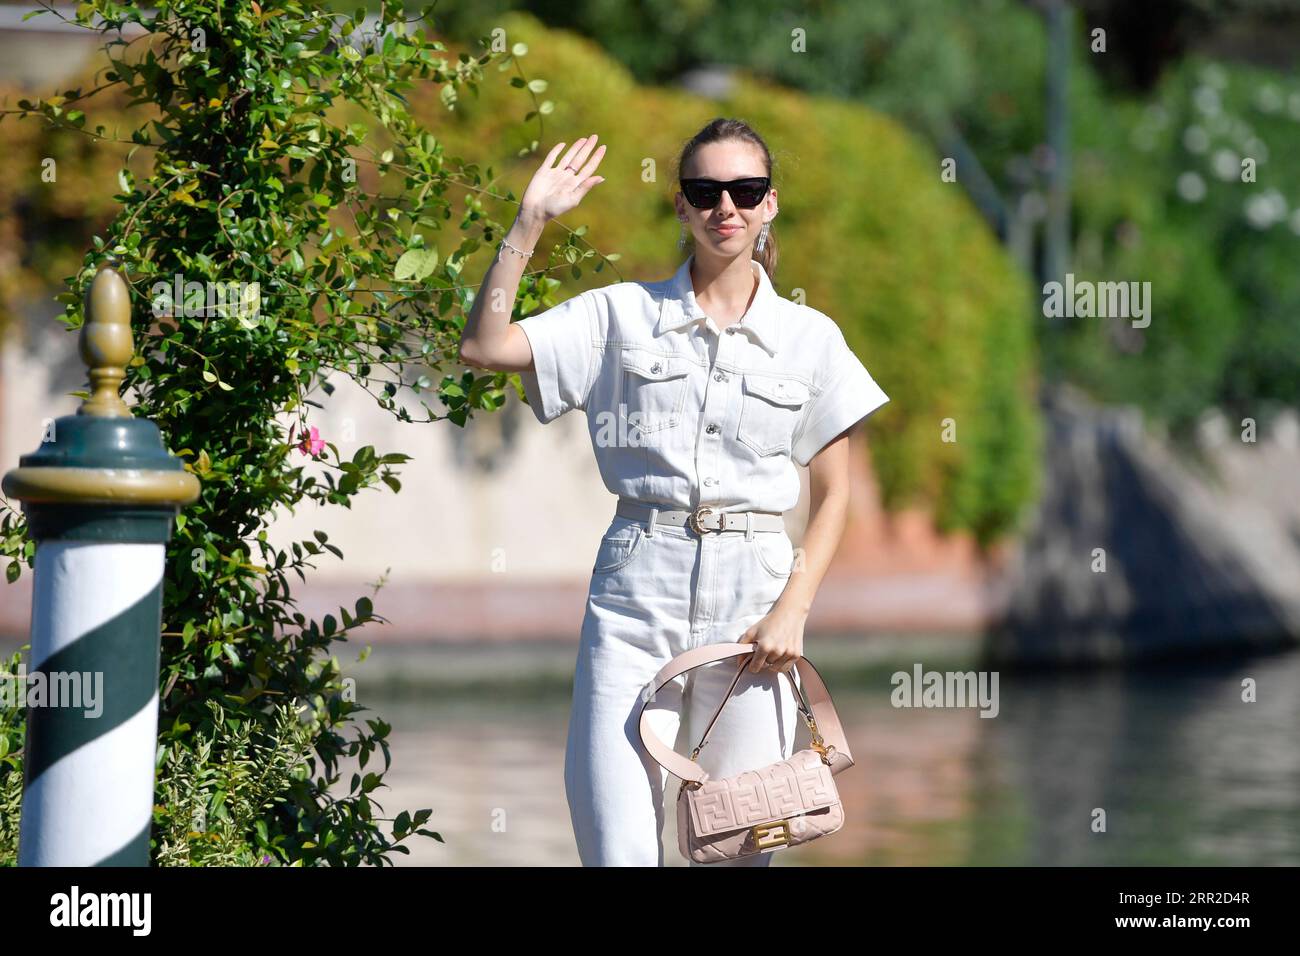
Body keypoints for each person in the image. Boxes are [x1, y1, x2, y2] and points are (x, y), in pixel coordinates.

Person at [458, 117, 889, 866]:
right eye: (706, 190)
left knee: (736, 847)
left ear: (770, 205)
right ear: (683, 207)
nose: (727, 206)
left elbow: (836, 496)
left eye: (745, 190)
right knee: (617, 847)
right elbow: (484, 346)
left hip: (756, 615)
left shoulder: (813, 339)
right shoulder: (619, 315)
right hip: (634, 593)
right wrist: (528, 225)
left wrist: (795, 608)